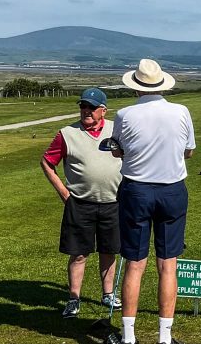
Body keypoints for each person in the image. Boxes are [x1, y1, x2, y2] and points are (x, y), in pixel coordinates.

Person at [107, 59, 195, 344]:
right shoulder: (181, 111)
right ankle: (165, 338)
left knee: (134, 263)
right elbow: (189, 151)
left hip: (136, 190)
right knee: (168, 265)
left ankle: (129, 337)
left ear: (136, 87)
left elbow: (118, 150)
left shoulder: (124, 114)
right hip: (171, 191)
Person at [40, 88, 122, 318]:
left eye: (92, 107)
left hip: (113, 201)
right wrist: (64, 194)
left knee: (109, 250)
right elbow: (47, 162)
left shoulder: (117, 129)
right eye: (83, 106)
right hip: (79, 203)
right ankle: (74, 298)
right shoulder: (67, 133)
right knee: (78, 254)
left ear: (103, 110)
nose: (86, 111)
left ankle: (108, 294)